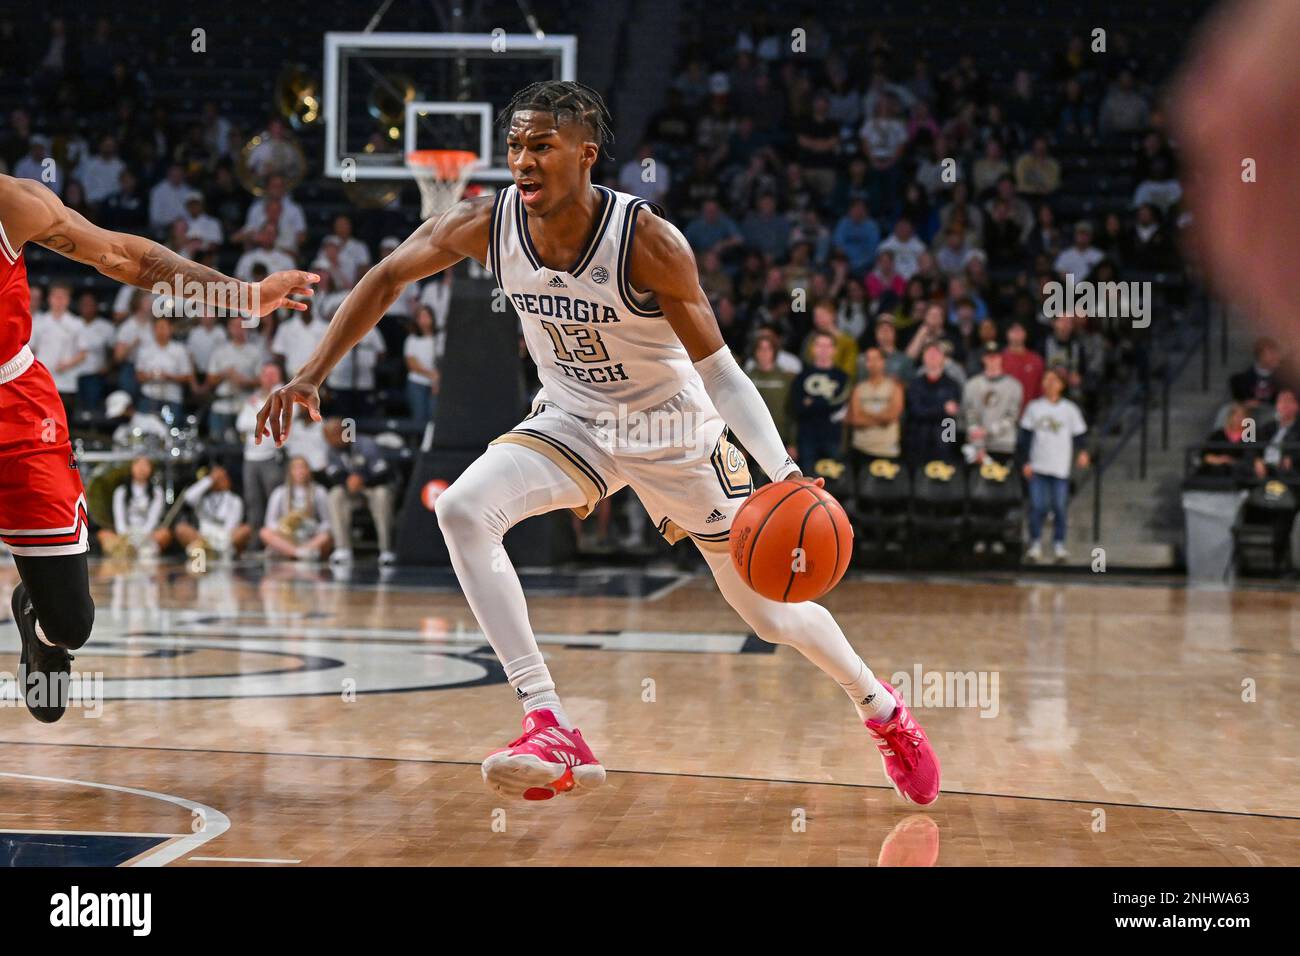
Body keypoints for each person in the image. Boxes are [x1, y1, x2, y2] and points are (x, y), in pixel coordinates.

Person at [255, 80, 939, 805]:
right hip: (575, 419)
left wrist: (785, 474)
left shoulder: (647, 242)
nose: (522, 160)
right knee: (460, 509)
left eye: (540, 146)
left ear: (585, 156)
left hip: (673, 431)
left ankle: (884, 711)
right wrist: (311, 373)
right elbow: (390, 274)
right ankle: (548, 721)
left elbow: (724, 374)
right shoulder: (487, 223)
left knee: (770, 616)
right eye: (515, 146)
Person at [0, 172, 315, 722]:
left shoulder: (11, 204)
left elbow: (123, 256)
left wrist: (239, 296)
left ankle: (41, 622)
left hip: (14, 405)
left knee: (73, 622)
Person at [1018, 367, 1089, 562]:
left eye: (1054, 380)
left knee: (1059, 507)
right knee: (1038, 506)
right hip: (1038, 466)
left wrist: (1083, 452)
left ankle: (1059, 545)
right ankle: (1035, 544)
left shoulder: (1069, 409)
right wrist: (1025, 462)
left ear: (1062, 385)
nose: (1050, 384)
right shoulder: (1034, 407)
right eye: (1046, 380)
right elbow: (1025, 437)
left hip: (1060, 467)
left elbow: (1080, 434)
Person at [259, 455, 332, 561]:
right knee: (264, 532)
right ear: (290, 471)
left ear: (308, 470)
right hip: (287, 537)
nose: (300, 471)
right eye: (296, 468)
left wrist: (315, 529)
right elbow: (270, 521)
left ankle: (290, 551)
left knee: (326, 537)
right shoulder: (279, 492)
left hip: (310, 535)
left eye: (303, 467)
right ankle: (298, 553)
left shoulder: (319, 491)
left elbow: (327, 522)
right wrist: (283, 529)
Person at [97, 456, 171, 559]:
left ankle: (136, 551)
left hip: (147, 535)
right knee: (103, 534)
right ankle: (127, 549)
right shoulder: (121, 491)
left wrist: (140, 537)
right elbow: (120, 519)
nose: (141, 469)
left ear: (151, 469)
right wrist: (126, 537)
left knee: (164, 534)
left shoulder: (157, 492)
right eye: (138, 464)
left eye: (145, 465)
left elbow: (153, 520)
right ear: (131, 467)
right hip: (126, 535)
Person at [175, 464, 252, 561]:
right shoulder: (202, 497)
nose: (220, 479)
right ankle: (206, 551)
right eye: (217, 477)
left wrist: (219, 543)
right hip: (203, 539)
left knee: (245, 530)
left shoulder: (235, 500)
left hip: (225, 539)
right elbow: (188, 497)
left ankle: (215, 553)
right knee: (181, 528)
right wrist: (209, 480)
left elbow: (232, 526)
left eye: (223, 476)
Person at [845, 346, 904, 474]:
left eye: (876, 359)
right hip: (861, 449)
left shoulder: (895, 387)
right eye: (869, 359)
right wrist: (881, 418)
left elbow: (892, 416)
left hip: (887, 450)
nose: (873, 363)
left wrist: (866, 415)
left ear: (883, 362)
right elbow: (855, 419)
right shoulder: (858, 389)